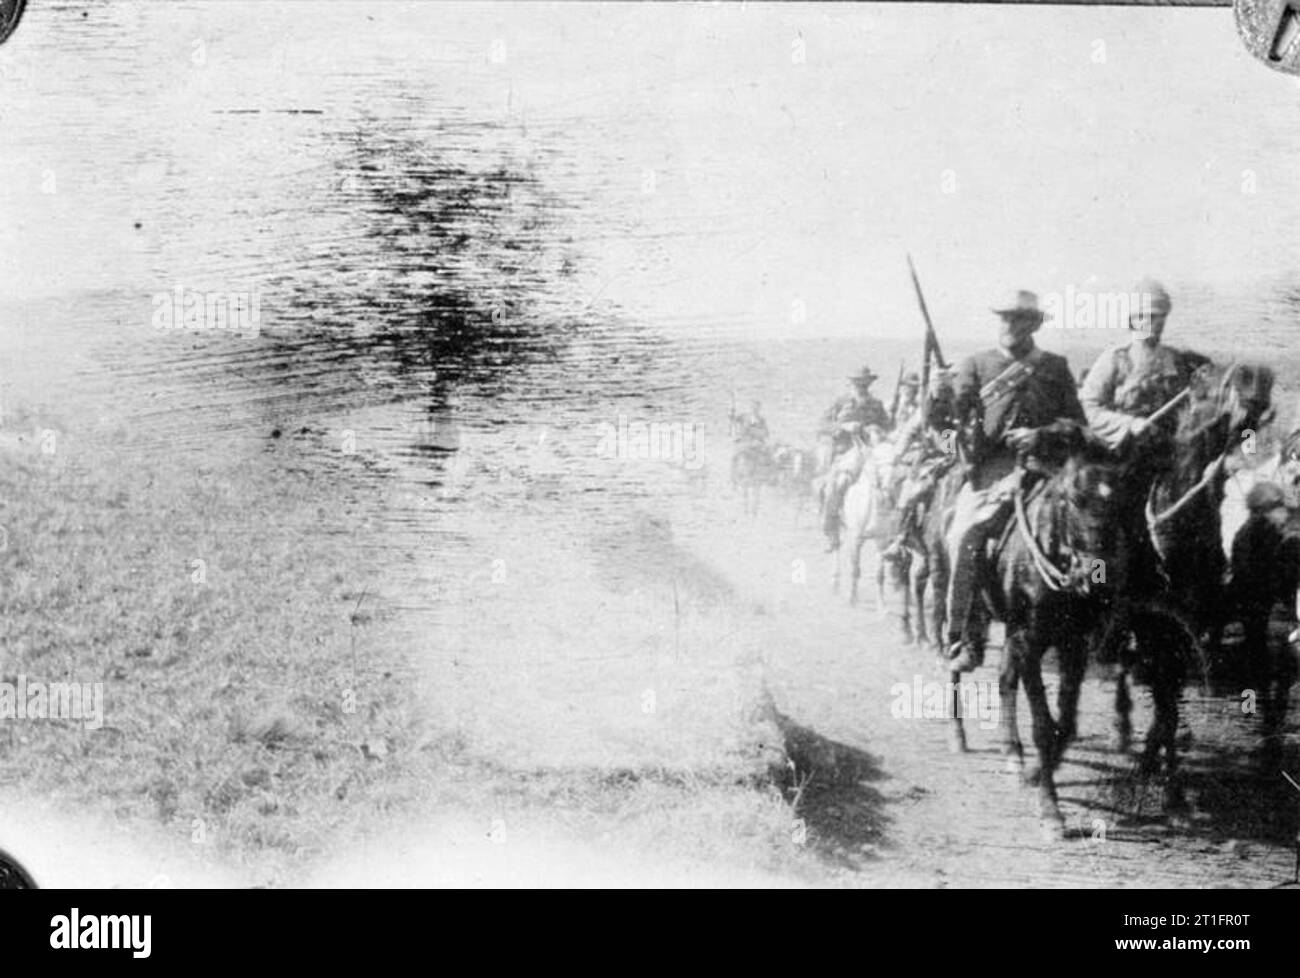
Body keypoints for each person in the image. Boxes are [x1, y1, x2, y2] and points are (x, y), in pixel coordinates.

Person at [944, 289, 1087, 672]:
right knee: (965, 538)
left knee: (1094, 527)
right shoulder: (975, 365)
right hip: (994, 472)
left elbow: (1078, 424)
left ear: (1034, 324)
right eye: (1005, 317)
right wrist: (946, 398)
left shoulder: (1054, 367)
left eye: (1019, 319)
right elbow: (953, 419)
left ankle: (1096, 625)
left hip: (1046, 469)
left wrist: (1042, 433)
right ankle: (966, 638)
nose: (1010, 325)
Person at [1079, 279, 1210, 454]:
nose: (1157, 323)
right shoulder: (1115, 358)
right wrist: (1129, 424)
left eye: (1161, 316)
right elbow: (1089, 408)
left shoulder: (1177, 359)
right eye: (1148, 316)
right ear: (1133, 319)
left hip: (1172, 446)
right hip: (1125, 447)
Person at [818, 366, 892, 551]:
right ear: (851, 383)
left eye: (865, 383)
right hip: (846, 452)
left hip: (871, 451)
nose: (862, 386)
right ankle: (832, 532)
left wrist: (877, 430)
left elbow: (888, 426)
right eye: (858, 382)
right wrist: (844, 427)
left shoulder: (876, 404)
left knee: (891, 480)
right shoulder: (840, 402)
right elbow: (823, 424)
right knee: (836, 486)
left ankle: (891, 531)